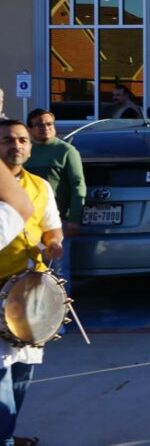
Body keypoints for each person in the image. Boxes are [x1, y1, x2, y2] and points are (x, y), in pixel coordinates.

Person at [0, 120, 64, 446]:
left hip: (31, 291)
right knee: (0, 372)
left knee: (24, 371)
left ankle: (6, 432)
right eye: (8, 140)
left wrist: (54, 243)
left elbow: (52, 225)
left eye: (22, 140)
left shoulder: (41, 186)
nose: (17, 146)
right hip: (0, 286)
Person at [24, 109, 85, 288]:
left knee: (58, 270)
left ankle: (61, 312)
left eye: (49, 124)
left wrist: (74, 218)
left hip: (59, 222)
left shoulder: (66, 151)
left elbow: (78, 185)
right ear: (30, 129)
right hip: (30, 222)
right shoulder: (26, 152)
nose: (45, 128)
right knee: (33, 270)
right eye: (39, 124)